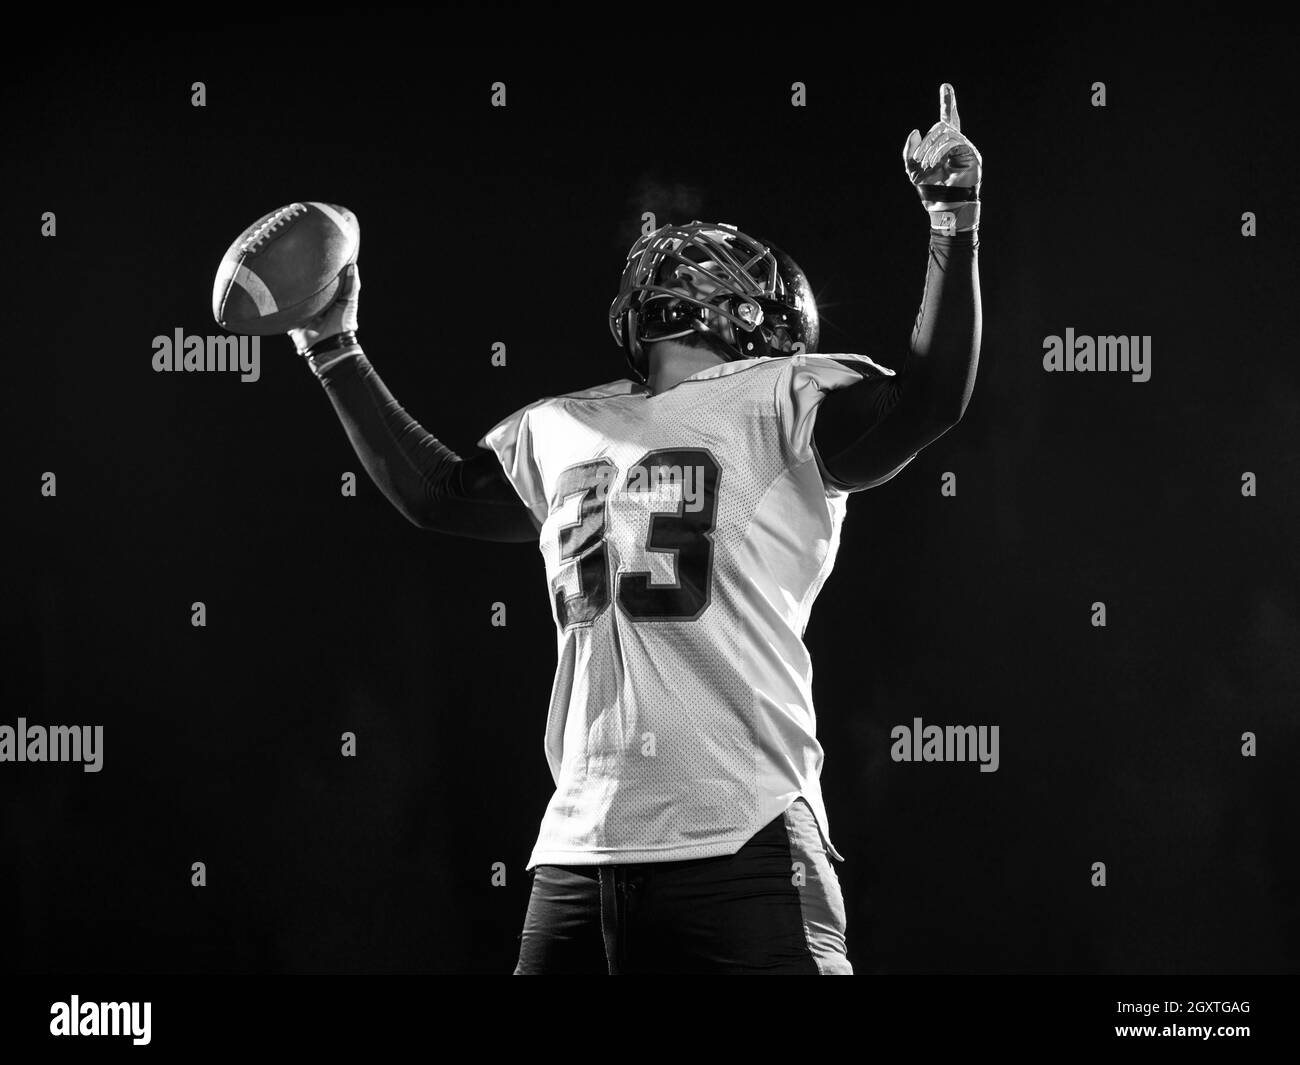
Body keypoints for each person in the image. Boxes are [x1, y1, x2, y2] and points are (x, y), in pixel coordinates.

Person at [287, 83, 983, 974]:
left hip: (742, 830)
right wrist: (331, 342)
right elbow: (435, 495)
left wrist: (954, 224)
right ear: (749, 305)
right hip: (583, 846)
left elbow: (929, 404)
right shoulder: (572, 424)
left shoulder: (778, 398)